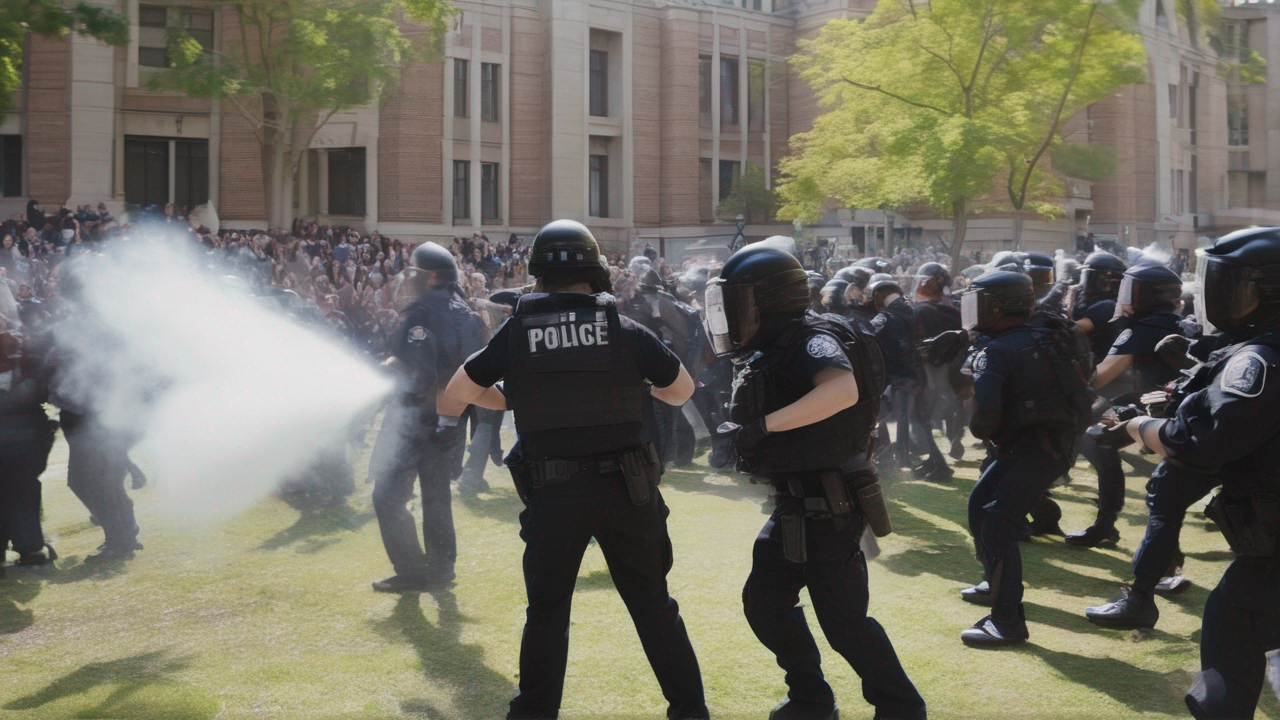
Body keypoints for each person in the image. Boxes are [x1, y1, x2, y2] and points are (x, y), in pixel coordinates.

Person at [443, 220, 709, 720]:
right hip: (627, 492)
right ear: (598, 273)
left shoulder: (518, 331)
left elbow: (458, 393)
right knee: (654, 608)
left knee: (546, 615)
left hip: (553, 493)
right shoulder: (626, 329)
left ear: (537, 275)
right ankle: (691, 713)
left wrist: (511, 398)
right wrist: (633, 388)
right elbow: (682, 390)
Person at [708, 245, 925, 720]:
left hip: (831, 505)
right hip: (799, 504)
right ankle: (810, 698)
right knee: (764, 603)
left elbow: (841, 390)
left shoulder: (812, 336)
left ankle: (903, 710)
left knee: (845, 624)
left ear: (768, 299)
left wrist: (761, 428)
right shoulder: (782, 339)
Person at [1099, 228, 1280, 718]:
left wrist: (1139, 424)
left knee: (1230, 631)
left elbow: (1202, 444)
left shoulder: (1259, 359)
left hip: (1273, 553)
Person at [957, 272, 1094, 646]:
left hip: (1034, 446)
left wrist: (981, 426)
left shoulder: (997, 349)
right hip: (1049, 442)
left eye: (978, 301)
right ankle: (996, 584)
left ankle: (1007, 622)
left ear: (996, 306)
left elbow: (985, 413)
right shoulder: (1049, 332)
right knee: (980, 507)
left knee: (998, 523)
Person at [368, 242, 486, 593]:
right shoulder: (470, 312)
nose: (411, 279)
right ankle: (441, 569)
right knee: (437, 496)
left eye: (415, 273)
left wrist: (380, 373)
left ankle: (412, 572)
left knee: (387, 496)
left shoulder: (421, 312)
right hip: (450, 422)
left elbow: (413, 370)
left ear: (431, 275)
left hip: (413, 422)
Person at [1066, 263, 1184, 548]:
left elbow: (1099, 377)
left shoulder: (1140, 330)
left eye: (1131, 290)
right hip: (1181, 406)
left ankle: (1106, 523)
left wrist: (1069, 368)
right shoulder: (1182, 322)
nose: (1125, 297)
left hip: (1158, 411)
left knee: (1096, 440)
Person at [0, 307, 57, 569]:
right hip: (25, 432)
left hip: (22, 435)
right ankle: (29, 547)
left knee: (21, 491)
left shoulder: (26, 356)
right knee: (21, 490)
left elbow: (40, 388)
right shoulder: (25, 355)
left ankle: (29, 548)